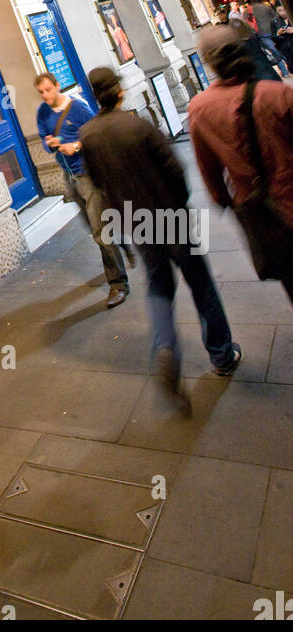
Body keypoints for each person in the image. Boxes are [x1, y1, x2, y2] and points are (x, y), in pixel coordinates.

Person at [80, 66, 241, 409]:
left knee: (158, 287)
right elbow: (175, 170)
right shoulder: (138, 126)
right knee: (201, 283)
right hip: (170, 218)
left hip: (138, 224)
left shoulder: (89, 135)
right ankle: (222, 355)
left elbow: (96, 182)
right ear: (119, 91)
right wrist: (178, 205)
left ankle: (165, 347)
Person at [188, 26, 293, 304]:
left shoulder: (200, 108)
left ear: (208, 62)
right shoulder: (276, 94)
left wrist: (226, 200)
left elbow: (207, 167)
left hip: (262, 211)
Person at [34, 73, 131, 307]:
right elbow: (46, 143)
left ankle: (118, 283)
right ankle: (119, 246)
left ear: (57, 86)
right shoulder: (43, 113)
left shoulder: (78, 108)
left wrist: (76, 145)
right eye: (41, 92)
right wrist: (51, 145)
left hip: (86, 173)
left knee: (99, 232)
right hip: (69, 177)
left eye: (49, 90)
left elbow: (96, 135)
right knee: (94, 226)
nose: (46, 96)